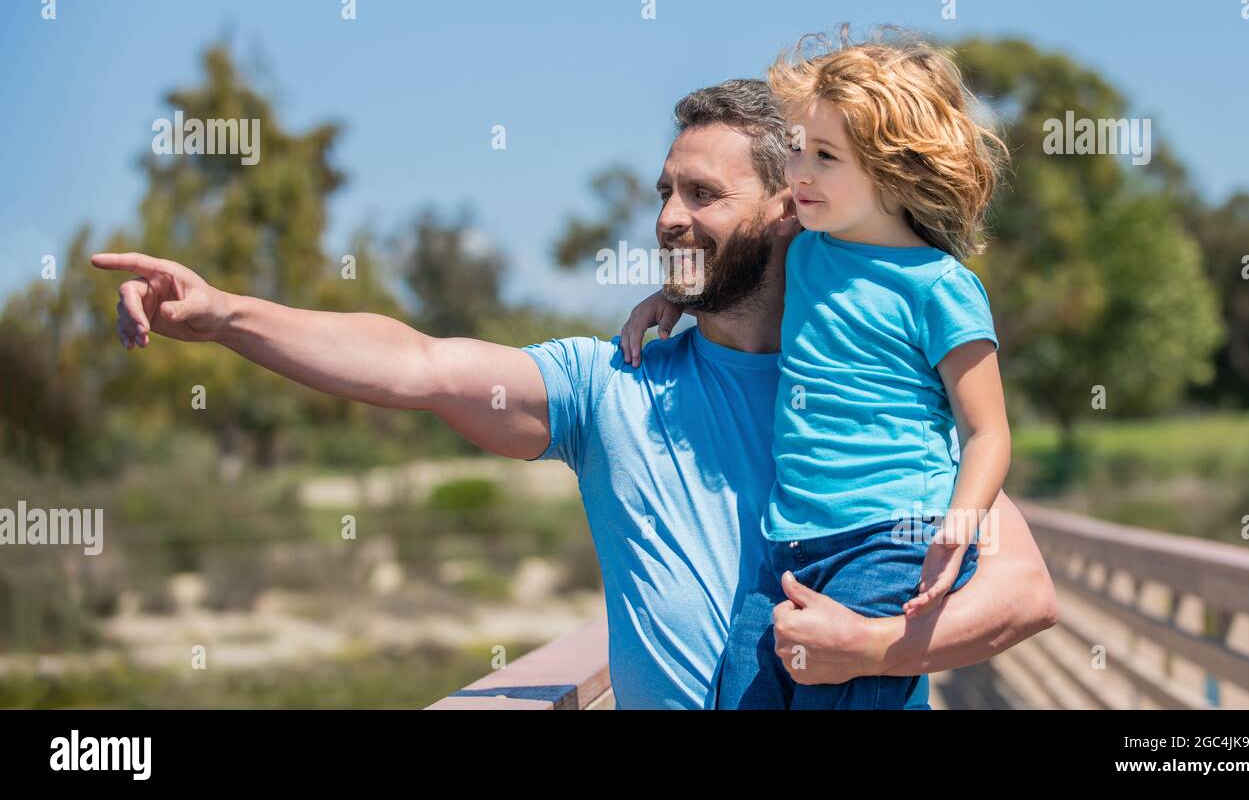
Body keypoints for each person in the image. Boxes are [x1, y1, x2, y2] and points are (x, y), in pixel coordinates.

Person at [92, 76, 1057, 710]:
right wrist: (226, 318)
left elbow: (1023, 592)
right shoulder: (613, 381)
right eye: (663, 192)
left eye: (703, 197)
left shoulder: (873, 398)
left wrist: (868, 646)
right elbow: (418, 364)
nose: (667, 218)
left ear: (792, 208)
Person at [621, 28, 1013, 708]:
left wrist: (959, 524)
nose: (799, 174)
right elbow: (729, 262)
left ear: (894, 171)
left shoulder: (939, 287)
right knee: (740, 690)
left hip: (891, 538)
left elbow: (989, 432)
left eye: (825, 157)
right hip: (793, 541)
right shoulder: (807, 250)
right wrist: (672, 294)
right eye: (799, 151)